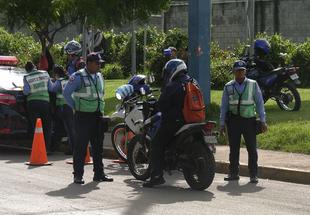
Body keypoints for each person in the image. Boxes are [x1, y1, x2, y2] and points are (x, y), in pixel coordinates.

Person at [63, 52, 113, 184]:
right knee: (80, 147)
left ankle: (99, 174)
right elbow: (66, 93)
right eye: (97, 64)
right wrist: (76, 106)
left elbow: (101, 94)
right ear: (89, 63)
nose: (99, 66)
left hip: (97, 115)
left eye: (100, 64)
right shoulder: (78, 76)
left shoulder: (99, 76)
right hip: (83, 116)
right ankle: (78, 175)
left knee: (98, 147)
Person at [143, 59, 189, 188]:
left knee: (156, 143)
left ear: (174, 70)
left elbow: (162, 105)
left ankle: (157, 175)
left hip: (175, 122)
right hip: (193, 120)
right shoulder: (192, 82)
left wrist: (156, 107)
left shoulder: (173, 85)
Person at [220, 60, 268, 184]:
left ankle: (253, 174)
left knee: (252, 149)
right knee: (234, 149)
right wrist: (221, 124)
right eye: (238, 71)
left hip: (249, 121)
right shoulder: (228, 86)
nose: (240, 73)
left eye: (242, 71)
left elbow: (259, 103)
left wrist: (263, 120)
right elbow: (224, 106)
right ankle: (233, 173)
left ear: (245, 72)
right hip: (233, 122)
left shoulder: (253, 84)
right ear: (234, 72)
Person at [23, 61, 53, 152]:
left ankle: (36, 148)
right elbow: (51, 88)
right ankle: (46, 148)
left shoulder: (27, 77)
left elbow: (26, 92)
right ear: (35, 66)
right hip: (45, 102)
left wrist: (24, 89)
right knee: (47, 126)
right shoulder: (45, 73)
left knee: (35, 126)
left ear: (27, 70)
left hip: (32, 103)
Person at [49, 64, 75, 155]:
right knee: (71, 128)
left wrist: (50, 81)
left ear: (56, 74)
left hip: (63, 106)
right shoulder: (70, 79)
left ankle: (72, 148)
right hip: (71, 106)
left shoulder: (60, 81)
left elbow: (52, 89)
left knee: (67, 129)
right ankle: (70, 147)